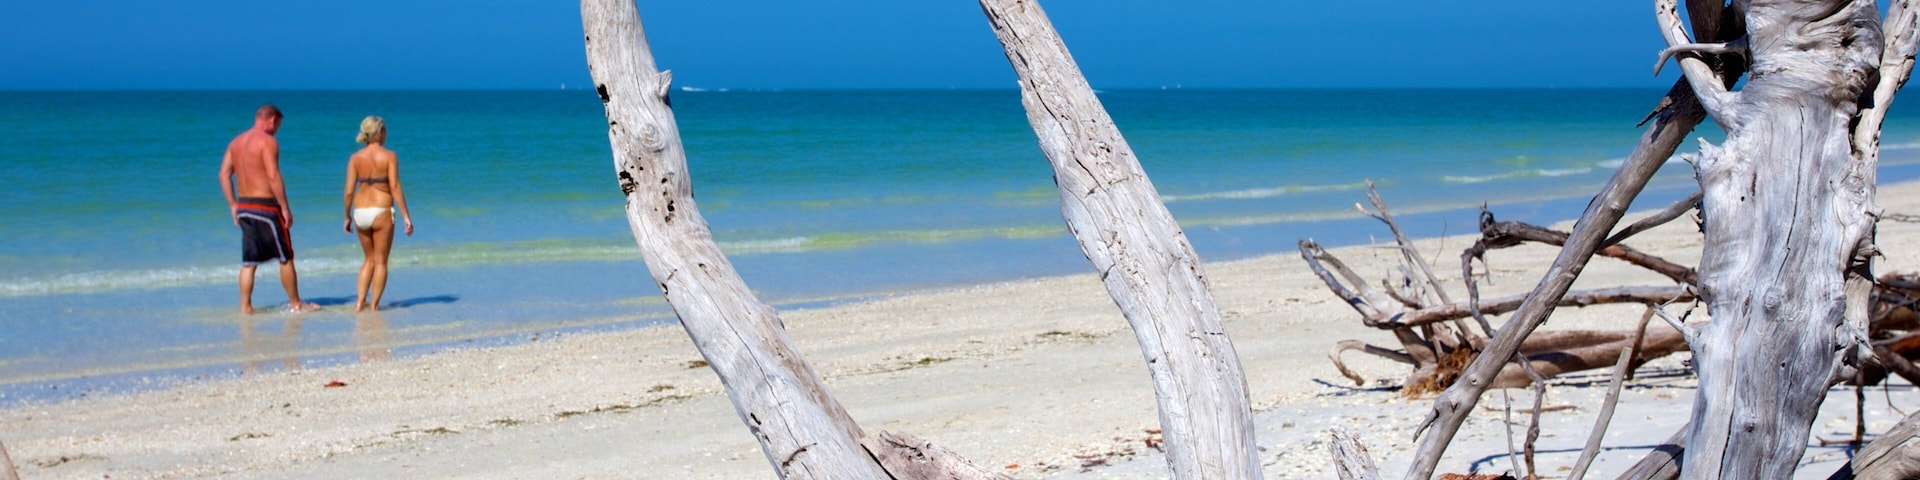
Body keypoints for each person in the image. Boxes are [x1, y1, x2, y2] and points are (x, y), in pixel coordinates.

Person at [219, 104, 320, 314]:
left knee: (249, 262)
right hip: (266, 207)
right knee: (286, 257)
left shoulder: (235, 142)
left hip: (244, 207)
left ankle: (246, 307)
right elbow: (273, 176)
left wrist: (232, 205)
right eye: (278, 125)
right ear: (272, 120)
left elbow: (224, 175)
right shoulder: (268, 142)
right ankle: (296, 303)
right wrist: (285, 207)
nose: (277, 130)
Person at [341, 116, 413, 312]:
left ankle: (359, 302)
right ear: (379, 132)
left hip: (360, 211)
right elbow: (395, 187)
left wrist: (347, 216)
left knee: (368, 259)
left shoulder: (355, 158)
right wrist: (406, 215)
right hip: (381, 210)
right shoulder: (389, 156)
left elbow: (348, 191)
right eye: (385, 130)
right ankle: (373, 306)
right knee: (380, 261)